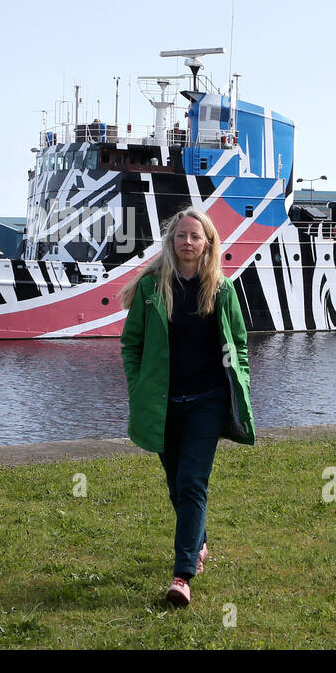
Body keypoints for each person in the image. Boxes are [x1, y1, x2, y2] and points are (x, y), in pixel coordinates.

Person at [118, 207, 255, 607]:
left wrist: (238, 380)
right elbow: (131, 345)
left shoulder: (222, 290)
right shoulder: (151, 289)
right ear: (172, 241)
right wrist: (137, 386)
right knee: (178, 486)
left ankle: (182, 576)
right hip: (163, 403)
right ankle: (200, 539)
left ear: (208, 242)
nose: (188, 242)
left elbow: (239, 345)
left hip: (207, 402)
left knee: (193, 483)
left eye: (196, 236)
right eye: (181, 235)